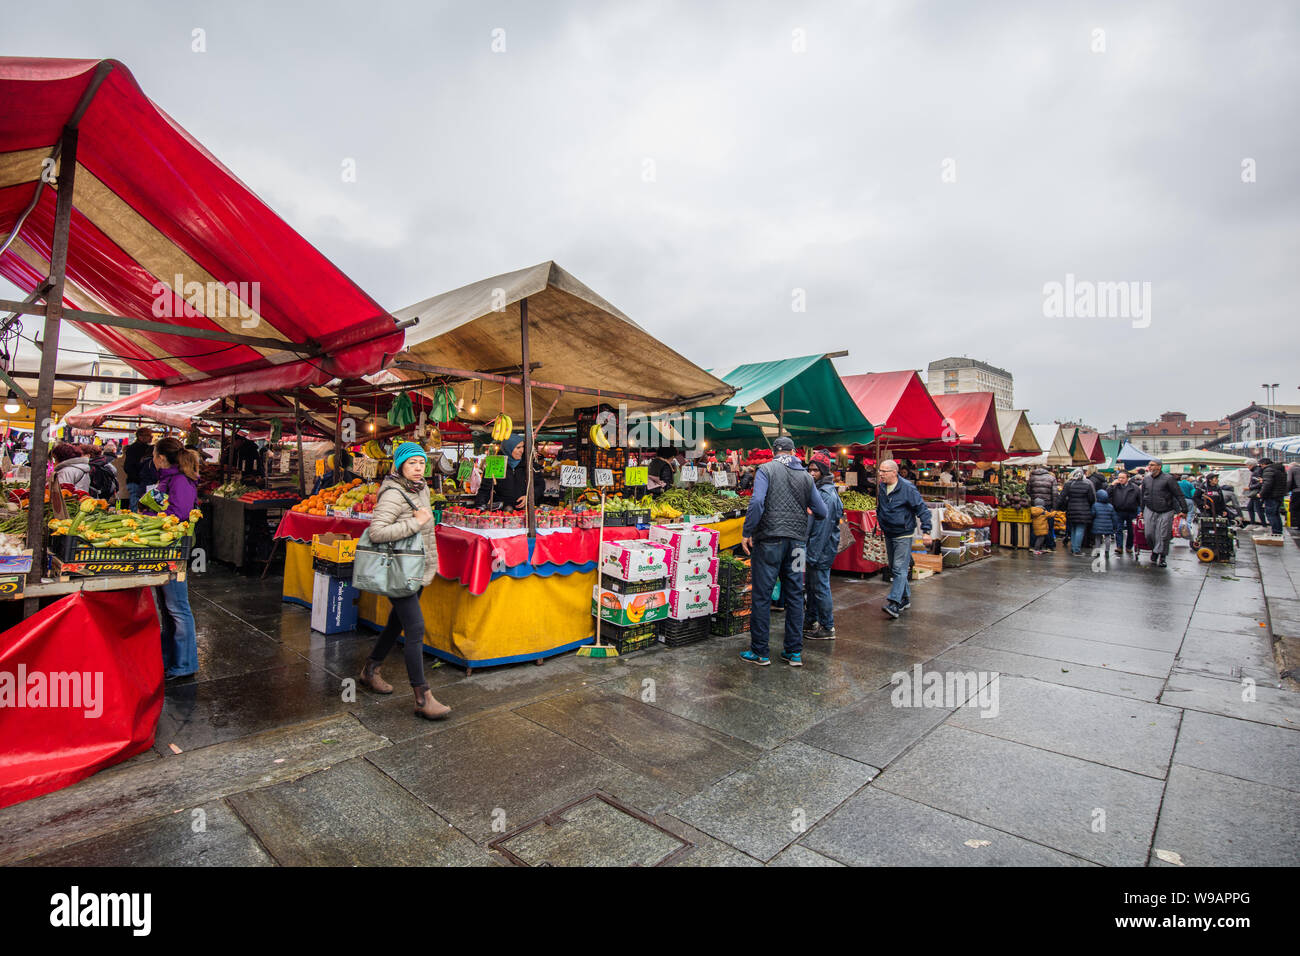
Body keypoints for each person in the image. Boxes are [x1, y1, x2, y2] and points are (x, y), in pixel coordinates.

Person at [359, 442, 450, 720]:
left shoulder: (421, 488)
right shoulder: (392, 493)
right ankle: (422, 696)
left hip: (415, 568)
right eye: (411, 463)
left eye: (421, 463)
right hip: (398, 569)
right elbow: (376, 532)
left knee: (396, 622)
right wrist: (415, 523)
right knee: (415, 628)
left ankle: (370, 670)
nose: (418, 468)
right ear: (399, 465)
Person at [740, 435, 826, 667]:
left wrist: (747, 531)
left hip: (769, 542)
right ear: (794, 452)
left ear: (774, 452)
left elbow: (757, 502)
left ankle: (760, 652)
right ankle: (794, 652)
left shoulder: (765, 470)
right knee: (796, 595)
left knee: (762, 596)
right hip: (798, 545)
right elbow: (822, 511)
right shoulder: (806, 477)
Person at [152, 437, 201, 679]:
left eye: (154, 454)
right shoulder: (169, 479)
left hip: (174, 548)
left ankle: (185, 664)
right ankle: (171, 659)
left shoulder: (180, 481)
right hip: (164, 547)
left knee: (178, 607)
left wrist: (155, 516)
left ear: (161, 458)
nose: (153, 458)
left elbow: (179, 514)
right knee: (168, 608)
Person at [875, 458, 933, 619]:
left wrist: (926, 531)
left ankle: (894, 603)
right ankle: (905, 598)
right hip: (889, 531)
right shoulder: (882, 486)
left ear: (894, 472)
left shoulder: (907, 488)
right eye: (880, 471)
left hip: (904, 532)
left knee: (900, 567)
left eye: (884, 471)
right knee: (895, 566)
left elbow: (922, 509)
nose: (880, 474)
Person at [803, 454, 844, 640]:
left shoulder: (826, 495)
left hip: (821, 550)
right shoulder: (818, 490)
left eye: (815, 470)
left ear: (823, 472)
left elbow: (822, 530)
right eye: (809, 469)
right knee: (813, 588)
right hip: (817, 549)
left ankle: (828, 627)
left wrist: (811, 556)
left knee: (820, 587)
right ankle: (812, 620)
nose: (811, 473)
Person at [475, 434, 544, 509]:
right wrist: (479, 507)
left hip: (525, 512)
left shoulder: (530, 465)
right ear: (508, 448)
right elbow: (485, 489)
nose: (522, 450)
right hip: (502, 512)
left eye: (522, 447)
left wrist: (529, 497)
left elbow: (540, 485)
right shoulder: (495, 464)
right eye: (518, 447)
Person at [1140, 459, 1186, 567]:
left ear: (1159, 467)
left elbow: (1178, 494)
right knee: (1149, 534)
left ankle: (1162, 556)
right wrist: (1142, 510)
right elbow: (1143, 496)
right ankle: (1155, 551)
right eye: (1149, 465)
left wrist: (1183, 509)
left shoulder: (1169, 479)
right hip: (1150, 509)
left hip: (1166, 510)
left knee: (1163, 535)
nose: (1149, 467)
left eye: (1152, 465)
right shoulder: (1146, 479)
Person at [1056, 468, 1097, 555]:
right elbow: (1092, 498)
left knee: (1074, 529)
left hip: (1071, 509)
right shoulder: (1087, 484)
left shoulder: (1068, 484)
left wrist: (1057, 507)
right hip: (1084, 510)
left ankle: (1074, 548)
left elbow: (1062, 497)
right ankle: (1076, 550)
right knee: (1080, 529)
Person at [1108, 469, 1142, 555]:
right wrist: (1111, 485)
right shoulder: (1115, 486)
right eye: (1119, 478)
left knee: (1131, 530)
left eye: (1122, 478)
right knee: (1119, 529)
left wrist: (1141, 510)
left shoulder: (1135, 488)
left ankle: (1129, 547)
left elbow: (1140, 500)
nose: (1120, 479)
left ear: (1128, 478)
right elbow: (1107, 494)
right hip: (1118, 511)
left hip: (1131, 511)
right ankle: (1119, 547)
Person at [124, 427, 157, 511]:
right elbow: (128, 467)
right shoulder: (135, 449)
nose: (151, 437)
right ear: (140, 436)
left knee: (139, 505)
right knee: (136, 505)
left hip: (139, 482)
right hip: (136, 482)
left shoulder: (145, 448)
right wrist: (140, 477)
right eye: (148, 435)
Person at [1258, 458, 1287, 535]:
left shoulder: (1268, 470)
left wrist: (1261, 493)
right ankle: (1278, 531)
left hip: (1271, 496)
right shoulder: (1279, 470)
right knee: (1276, 514)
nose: (1260, 467)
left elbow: (1267, 484)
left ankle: (1276, 532)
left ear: (1263, 464)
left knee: (1270, 514)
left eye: (1260, 465)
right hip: (1279, 495)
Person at [1090, 488, 1120, 562]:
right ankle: (1107, 551)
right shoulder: (1110, 506)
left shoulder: (1095, 505)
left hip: (1097, 524)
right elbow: (1114, 517)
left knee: (1097, 538)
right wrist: (1114, 526)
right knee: (1107, 538)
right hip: (1108, 525)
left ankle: (1097, 551)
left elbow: (1092, 514)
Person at [1288, 462, 1300, 529]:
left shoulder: (1292, 469)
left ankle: (1297, 525)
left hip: (1297, 492)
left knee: (1294, 508)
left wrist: (1286, 491)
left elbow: (1289, 481)